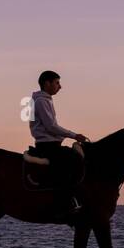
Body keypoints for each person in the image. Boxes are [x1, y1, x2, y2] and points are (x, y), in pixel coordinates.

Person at [30, 70, 89, 218]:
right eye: (57, 83)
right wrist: (74, 135)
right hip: (48, 146)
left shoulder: (45, 100)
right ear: (47, 83)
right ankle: (67, 202)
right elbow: (51, 126)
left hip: (51, 144)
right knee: (75, 161)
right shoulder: (41, 101)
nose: (60, 87)